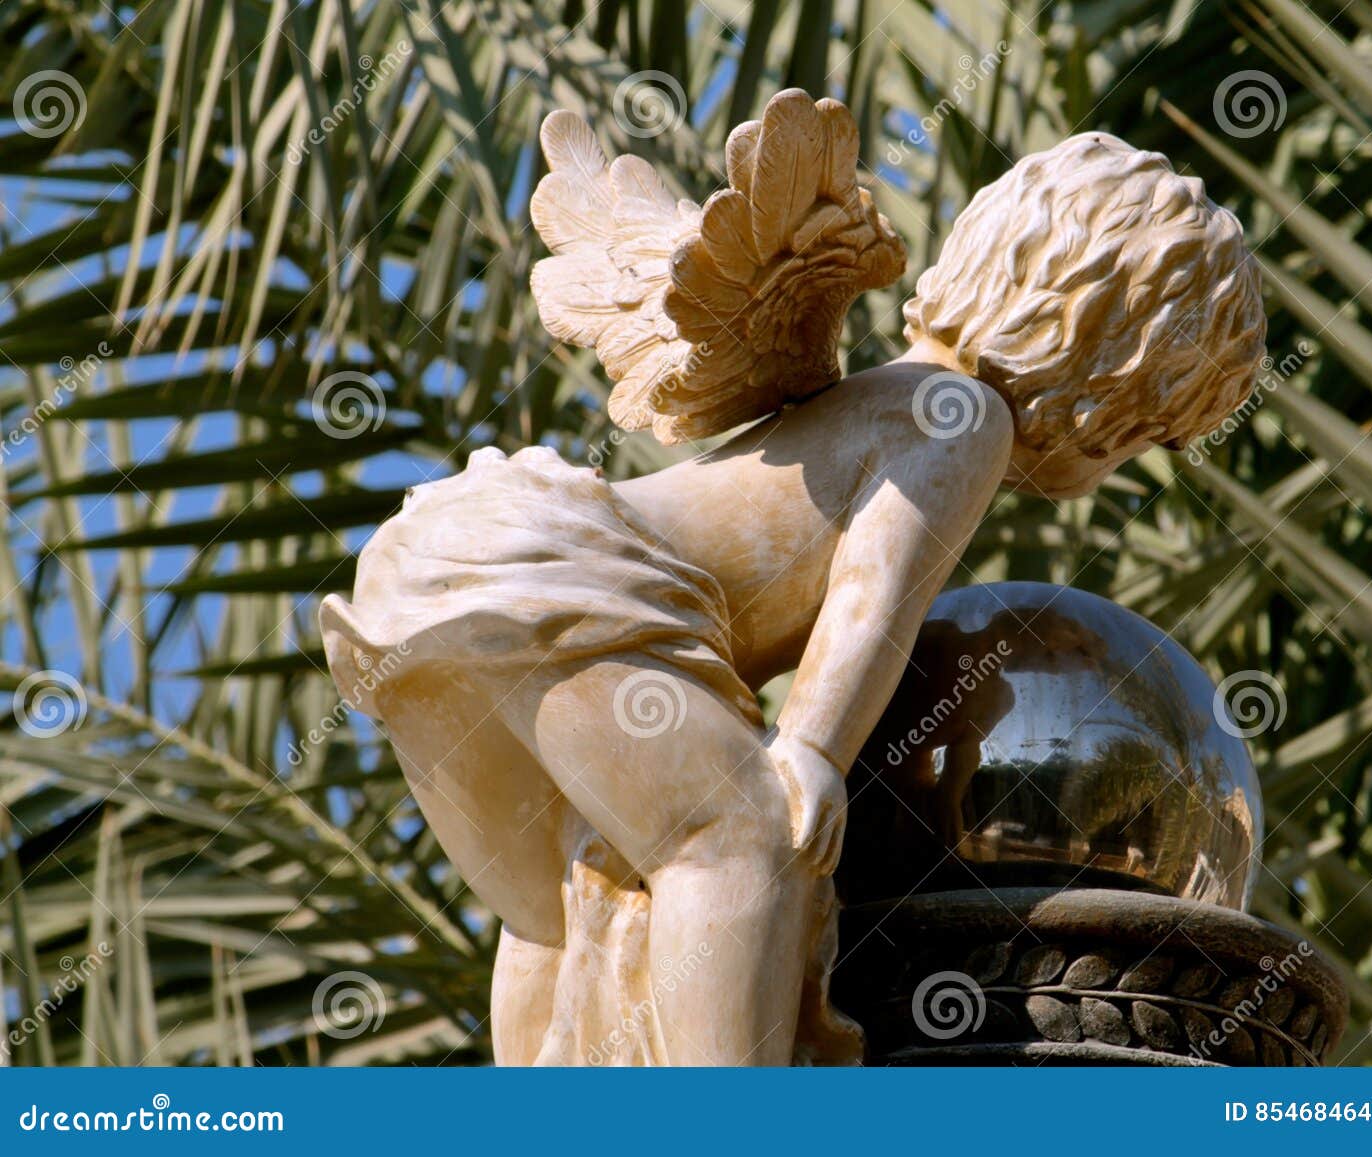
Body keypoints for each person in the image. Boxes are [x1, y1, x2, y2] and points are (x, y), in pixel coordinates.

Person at [319, 89, 1265, 1065]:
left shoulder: (870, 395)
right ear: (1107, 368)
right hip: (555, 562)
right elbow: (872, 595)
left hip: (436, 564)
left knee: (574, 902)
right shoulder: (962, 416)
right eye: (1144, 428)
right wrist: (811, 748)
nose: (1117, 460)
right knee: (741, 847)